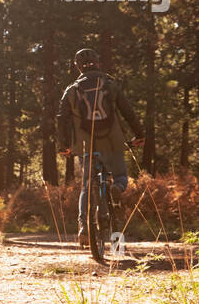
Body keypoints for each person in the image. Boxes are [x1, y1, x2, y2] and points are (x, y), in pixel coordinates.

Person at [56, 48, 145, 247]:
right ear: (98, 63)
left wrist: (64, 145)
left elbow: (61, 118)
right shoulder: (110, 85)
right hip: (112, 142)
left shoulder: (71, 90)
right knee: (121, 176)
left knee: (87, 185)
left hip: (85, 145)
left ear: (77, 67)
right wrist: (139, 134)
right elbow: (127, 111)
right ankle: (116, 188)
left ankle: (84, 229)